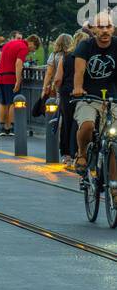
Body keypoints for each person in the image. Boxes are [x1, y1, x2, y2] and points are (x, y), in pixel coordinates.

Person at [71, 12, 117, 176]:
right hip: (89, 96)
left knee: (113, 141)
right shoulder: (85, 46)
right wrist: (78, 88)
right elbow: (79, 71)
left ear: (113, 29)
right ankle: (82, 154)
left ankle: (114, 186)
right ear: (93, 29)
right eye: (100, 27)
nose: (105, 30)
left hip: (112, 98)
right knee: (87, 124)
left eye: (108, 26)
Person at [0, 31, 37, 135]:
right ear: (31, 42)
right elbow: (19, 64)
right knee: (13, 103)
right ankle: (11, 127)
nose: (32, 51)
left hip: (0, 76)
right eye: (34, 48)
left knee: (3, 102)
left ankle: (2, 127)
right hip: (11, 77)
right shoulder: (23, 47)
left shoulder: (8, 44)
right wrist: (18, 80)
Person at [53, 30, 84, 166]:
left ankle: (66, 155)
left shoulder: (65, 57)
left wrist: (57, 91)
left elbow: (58, 79)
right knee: (79, 123)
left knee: (67, 123)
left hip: (66, 94)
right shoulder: (87, 58)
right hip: (83, 93)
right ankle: (78, 153)